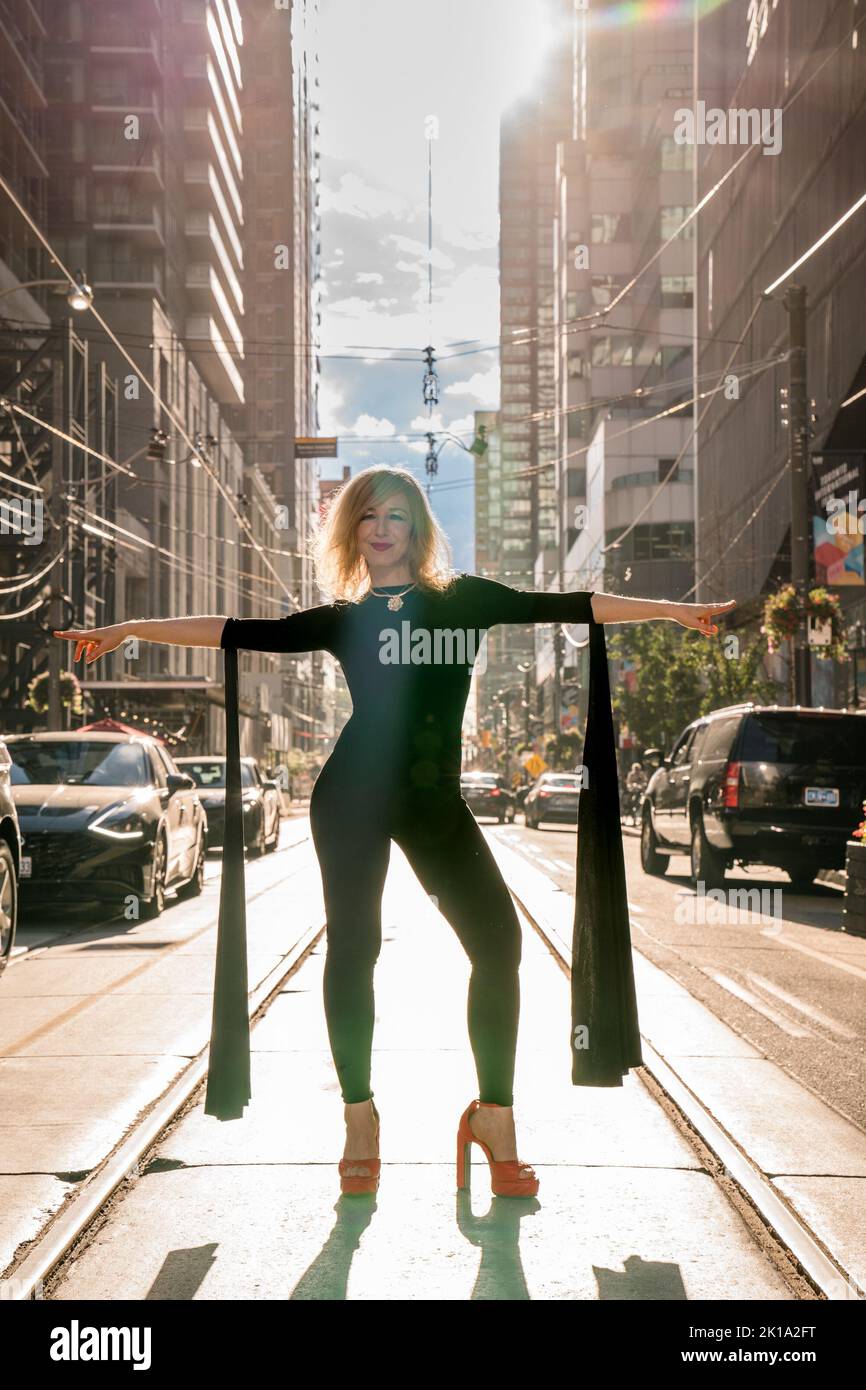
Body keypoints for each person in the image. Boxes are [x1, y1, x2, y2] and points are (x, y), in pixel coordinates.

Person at [55, 464, 735, 1199]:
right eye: (368, 517)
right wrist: (125, 628)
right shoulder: (346, 619)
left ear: (417, 529)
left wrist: (671, 611)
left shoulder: (465, 601)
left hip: (434, 800)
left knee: (500, 945)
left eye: (397, 517)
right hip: (352, 797)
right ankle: (359, 1116)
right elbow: (231, 629)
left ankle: (493, 1116)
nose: (381, 529)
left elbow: (574, 602)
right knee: (355, 946)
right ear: (353, 531)